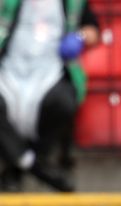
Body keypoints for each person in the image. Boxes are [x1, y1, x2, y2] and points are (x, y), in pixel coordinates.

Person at [0, 0, 98, 191]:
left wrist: (79, 36)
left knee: (64, 102)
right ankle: (35, 166)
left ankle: (22, 163)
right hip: (9, 70)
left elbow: (93, 30)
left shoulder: (73, 3)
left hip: (50, 72)